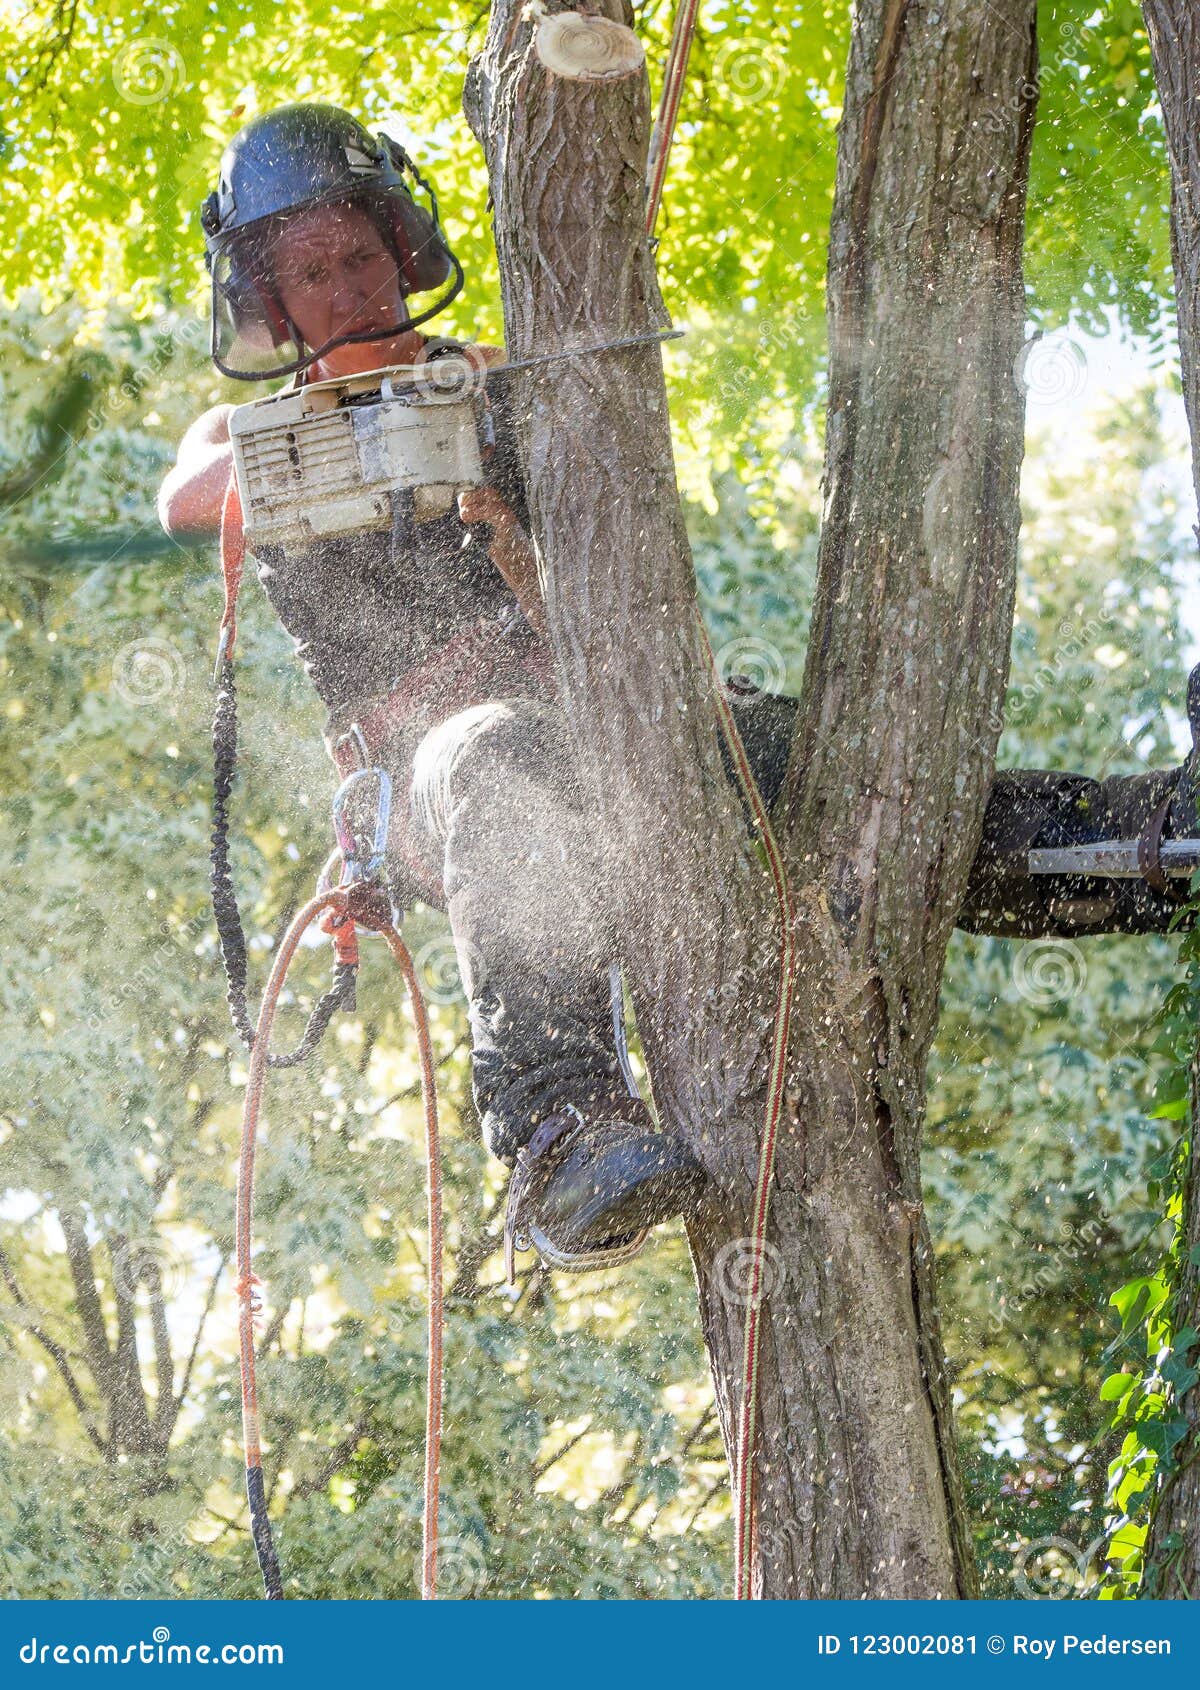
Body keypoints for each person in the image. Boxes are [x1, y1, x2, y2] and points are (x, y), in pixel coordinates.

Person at [160, 103, 1199, 1278]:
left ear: (401, 251)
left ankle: (1146, 843)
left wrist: (482, 424)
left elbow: (583, 453)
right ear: (268, 298)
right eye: (311, 270)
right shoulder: (243, 434)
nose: (347, 287)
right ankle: (558, 1141)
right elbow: (189, 496)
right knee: (498, 753)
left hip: (604, 721)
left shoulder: (492, 383)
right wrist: (379, 431)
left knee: (812, 764)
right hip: (440, 778)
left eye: (358, 256)